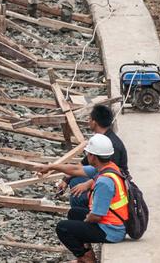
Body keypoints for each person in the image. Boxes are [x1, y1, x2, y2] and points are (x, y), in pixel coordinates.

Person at [41, 134, 130, 263]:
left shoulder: (104, 182)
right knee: (74, 213)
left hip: (111, 231)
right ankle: (87, 252)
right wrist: (51, 167)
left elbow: (96, 216)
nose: (87, 156)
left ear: (93, 156)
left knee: (63, 228)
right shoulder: (108, 168)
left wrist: (86, 219)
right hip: (113, 223)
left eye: (88, 153)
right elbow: (76, 169)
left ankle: (86, 258)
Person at [59, 104, 129, 214]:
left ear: (94, 122)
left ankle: (87, 219)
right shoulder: (99, 140)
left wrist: (86, 186)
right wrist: (65, 179)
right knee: (74, 180)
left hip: (115, 184)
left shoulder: (111, 144)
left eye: (89, 119)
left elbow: (111, 174)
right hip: (103, 177)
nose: (88, 121)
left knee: (77, 197)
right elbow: (82, 165)